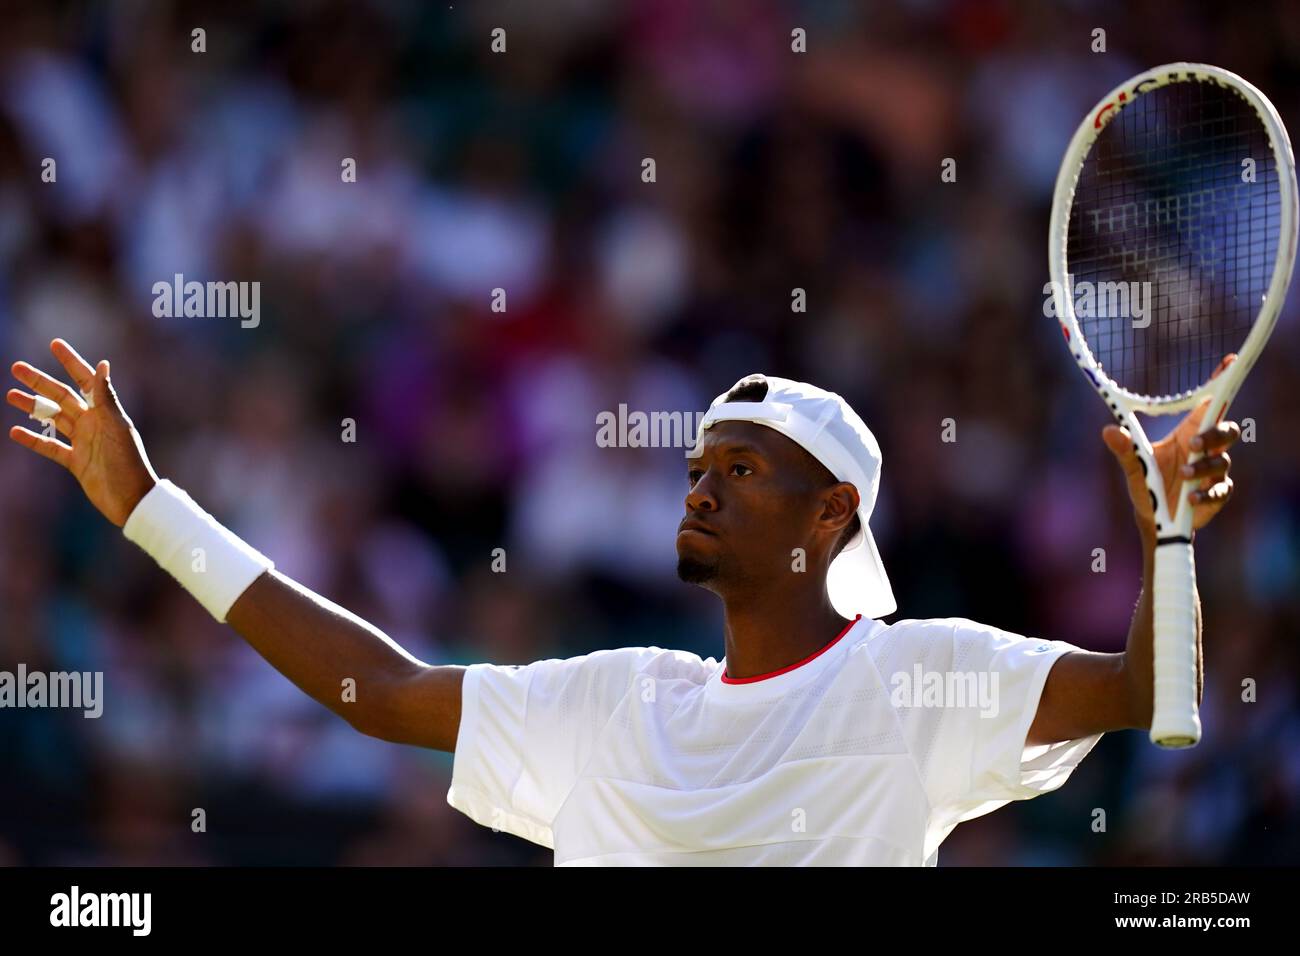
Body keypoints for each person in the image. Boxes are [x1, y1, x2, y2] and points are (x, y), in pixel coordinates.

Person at [7, 341, 1240, 865]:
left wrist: (1168, 535)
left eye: (741, 470)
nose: (699, 486)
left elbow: (1154, 698)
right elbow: (373, 690)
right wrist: (146, 506)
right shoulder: (609, 695)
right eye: (697, 466)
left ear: (831, 522)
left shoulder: (920, 679)